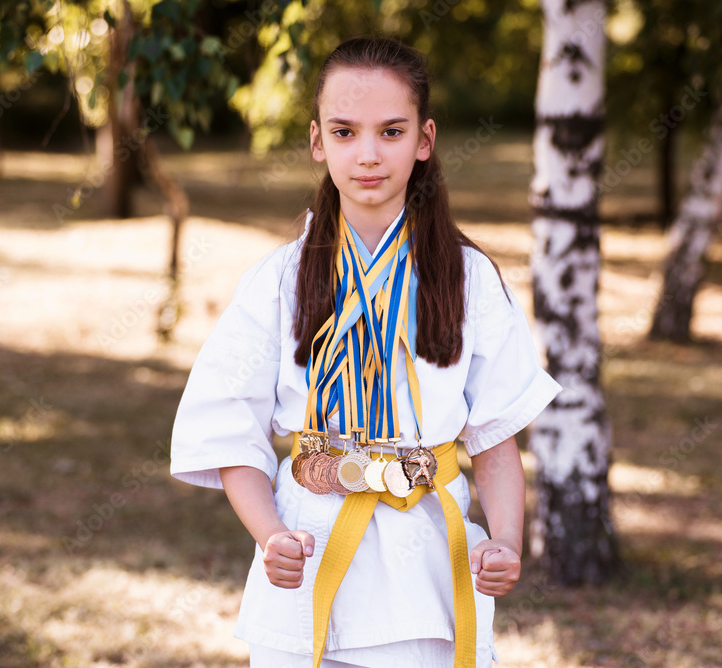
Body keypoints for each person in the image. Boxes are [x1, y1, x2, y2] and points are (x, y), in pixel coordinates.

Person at [170, 35, 562, 668]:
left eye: (392, 131)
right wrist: (270, 536)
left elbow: (494, 438)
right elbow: (229, 428)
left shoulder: (468, 278)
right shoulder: (280, 279)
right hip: (312, 549)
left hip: (429, 564)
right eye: (346, 132)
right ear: (318, 141)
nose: (369, 154)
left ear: (424, 140)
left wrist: (507, 542)